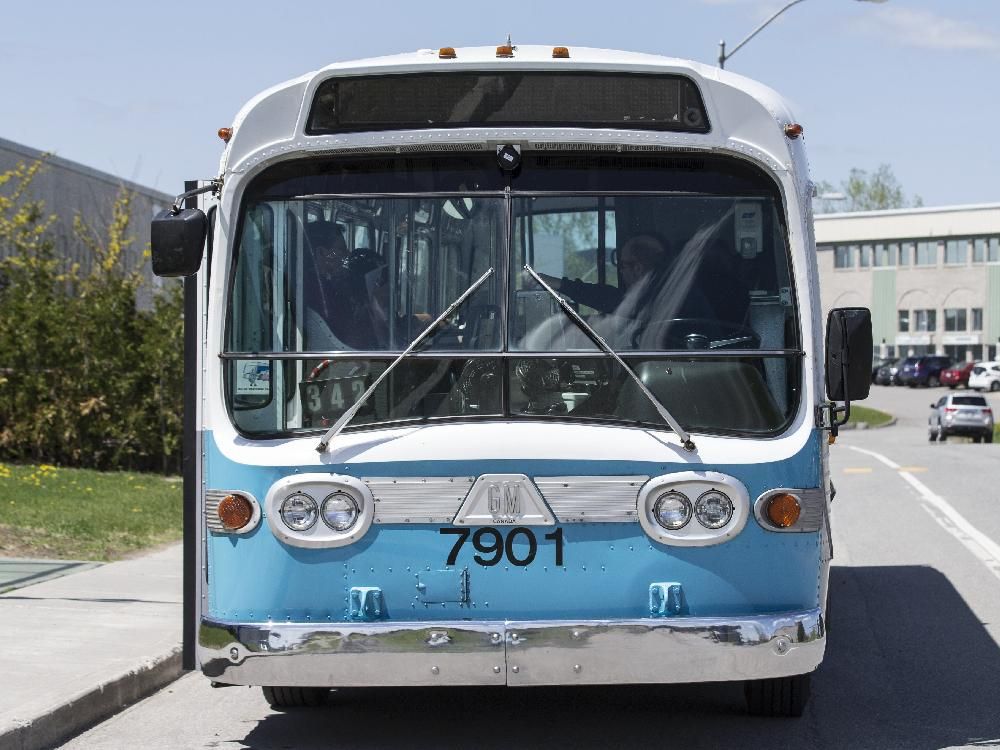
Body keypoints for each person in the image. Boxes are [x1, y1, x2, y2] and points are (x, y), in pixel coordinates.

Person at [535, 234, 670, 314]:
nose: (620, 270)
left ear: (638, 268)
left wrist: (554, 282)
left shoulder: (642, 304)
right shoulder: (672, 294)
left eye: (623, 265)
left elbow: (605, 297)